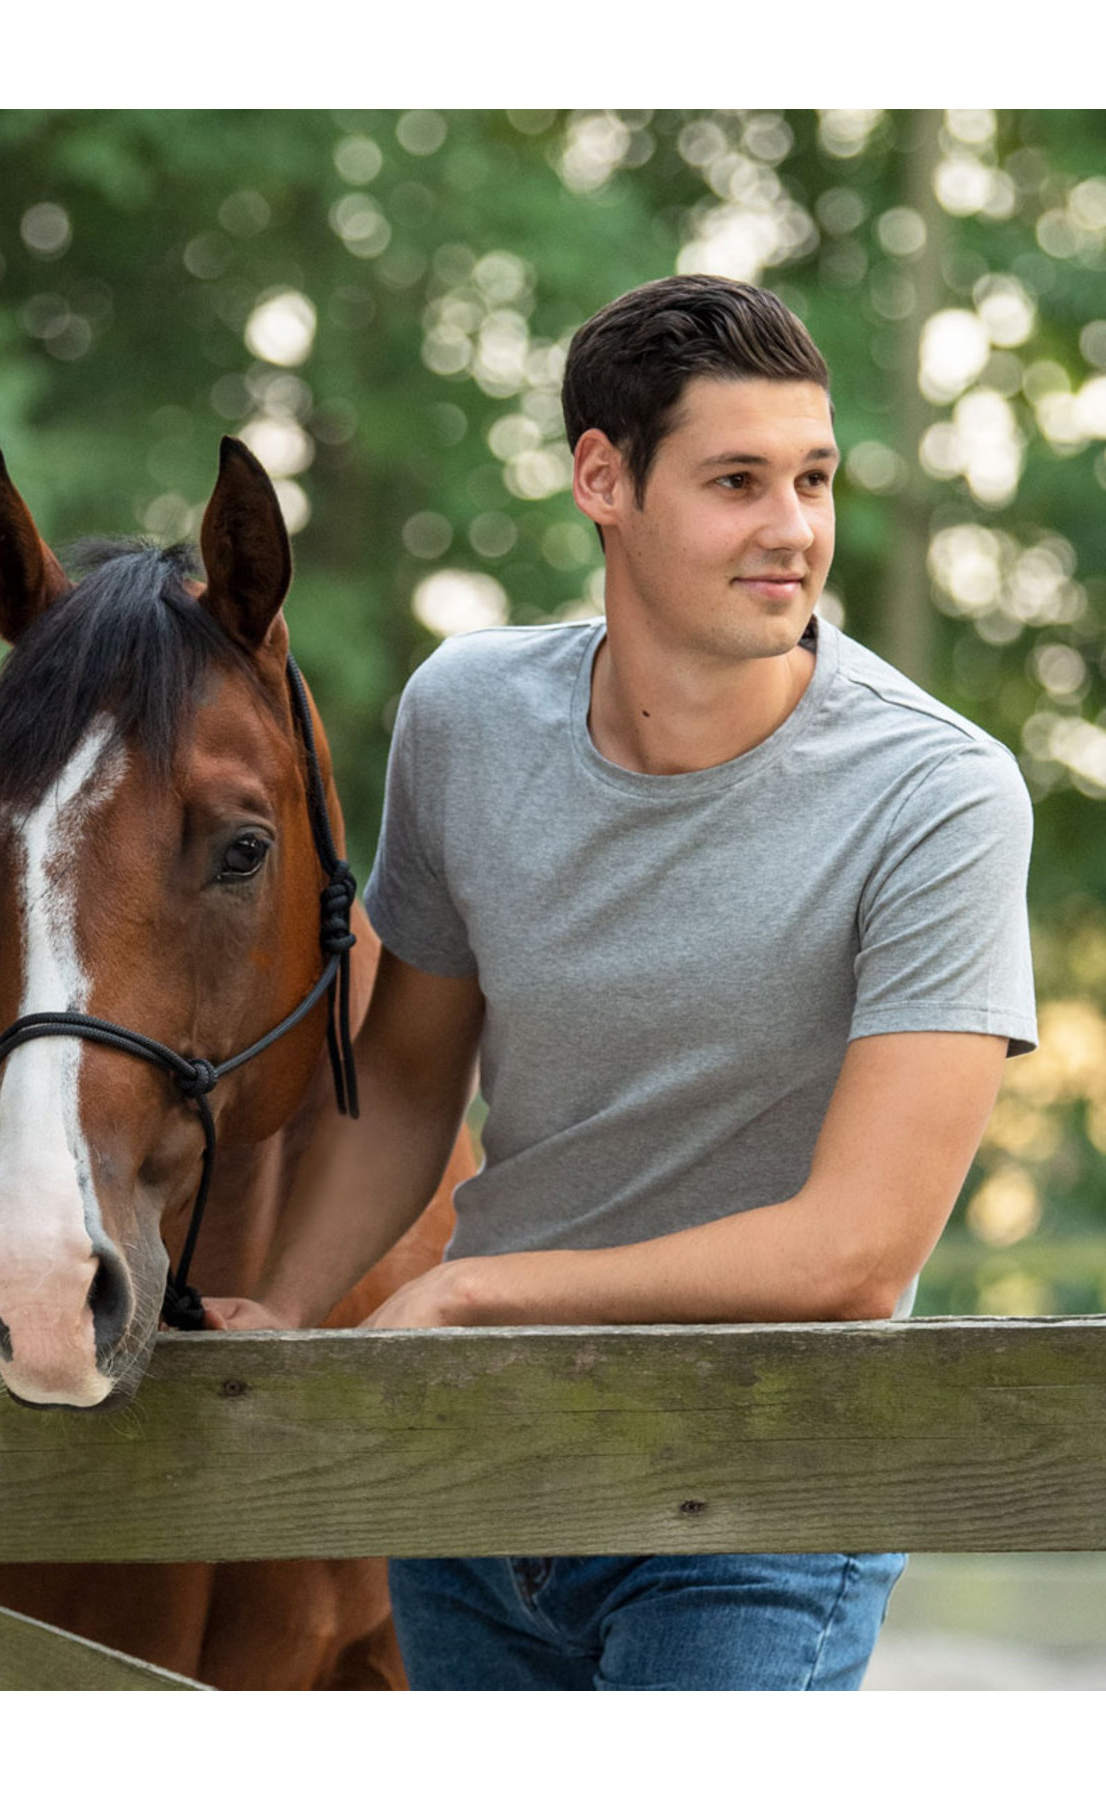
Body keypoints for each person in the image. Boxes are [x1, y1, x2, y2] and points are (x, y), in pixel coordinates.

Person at [205, 273, 1037, 1690]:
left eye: (814, 478)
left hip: (760, 1492)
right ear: (603, 479)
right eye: (736, 481)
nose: (793, 528)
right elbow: (405, 1079)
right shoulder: (465, 716)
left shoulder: (936, 795)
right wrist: (285, 1307)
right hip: (480, 1478)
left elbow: (854, 1252)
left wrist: (478, 1294)